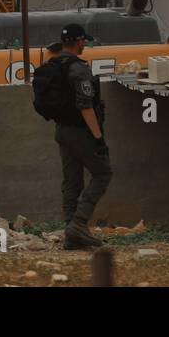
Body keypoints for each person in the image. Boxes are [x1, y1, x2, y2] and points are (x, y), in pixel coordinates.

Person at [49, 23, 112, 250]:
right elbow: (85, 106)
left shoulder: (55, 65)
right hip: (80, 131)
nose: (85, 43)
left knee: (72, 181)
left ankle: (71, 233)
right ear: (79, 42)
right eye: (83, 40)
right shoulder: (78, 69)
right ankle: (79, 223)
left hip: (62, 131)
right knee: (103, 173)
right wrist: (98, 138)